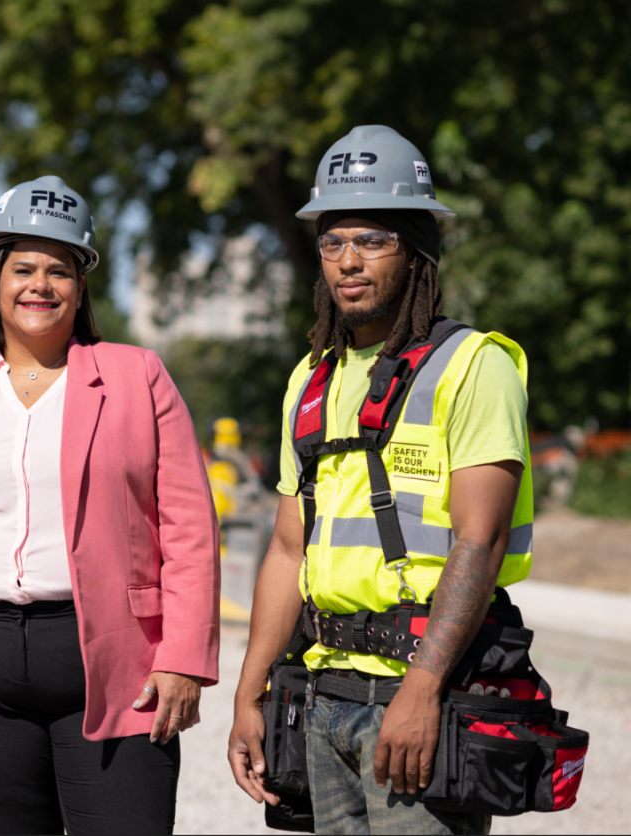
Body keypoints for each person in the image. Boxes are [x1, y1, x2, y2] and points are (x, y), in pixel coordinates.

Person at [0, 176, 221, 835]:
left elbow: (189, 526)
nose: (40, 285)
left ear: (81, 288)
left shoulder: (137, 376)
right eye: (23, 268)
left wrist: (183, 658)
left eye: (60, 270)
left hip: (116, 670)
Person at [226, 125, 534, 835]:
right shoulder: (311, 379)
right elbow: (284, 550)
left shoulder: (472, 365)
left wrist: (424, 688)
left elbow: (478, 543)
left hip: (420, 692)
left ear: (417, 249)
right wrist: (250, 692)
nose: (348, 262)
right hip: (323, 693)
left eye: (373, 240)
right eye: (332, 242)